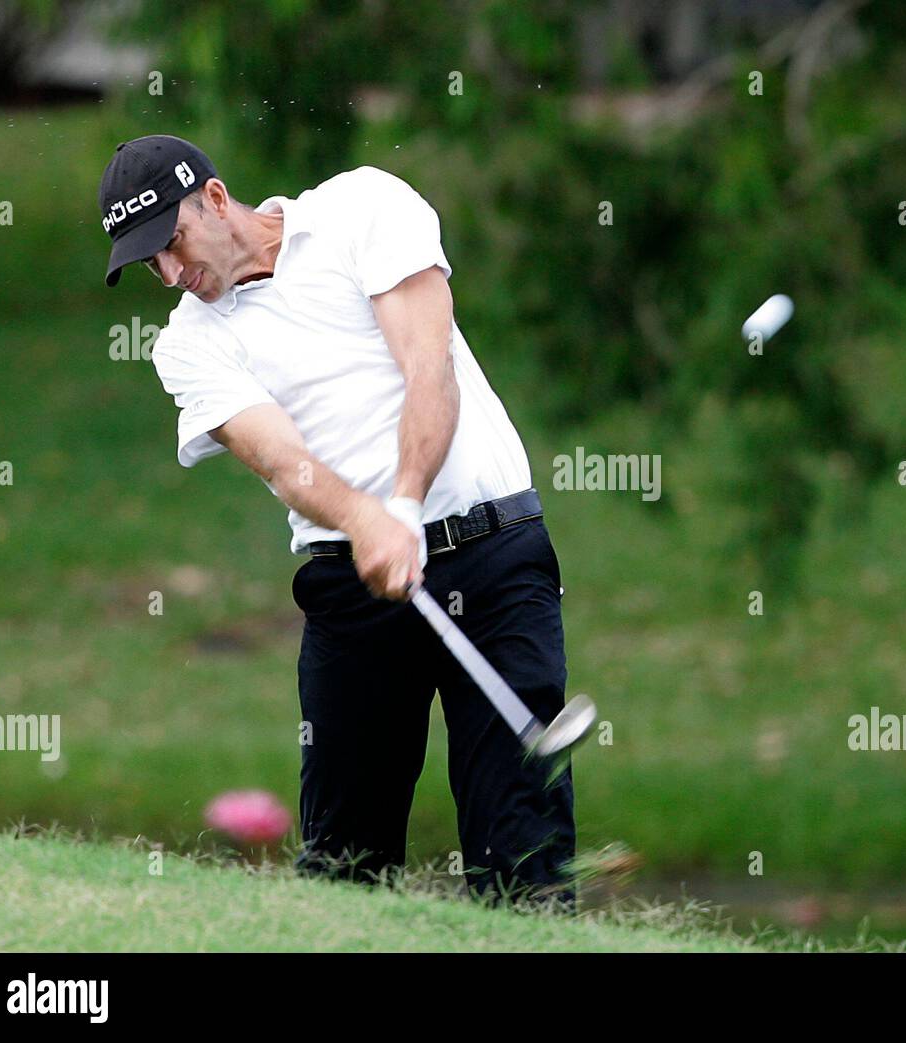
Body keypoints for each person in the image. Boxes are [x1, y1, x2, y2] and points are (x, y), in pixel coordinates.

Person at [96, 134, 576, 906]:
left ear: (216, 200)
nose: (172, 273)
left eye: (173, 242)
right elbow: (283, 461)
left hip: (494, 557)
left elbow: (430, 367)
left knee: (522, 851)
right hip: (354, 584)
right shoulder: (187, 344)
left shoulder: (362, 207)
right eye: (150, 263)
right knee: (344, 865)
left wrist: (406, 506)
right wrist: (369, 521)